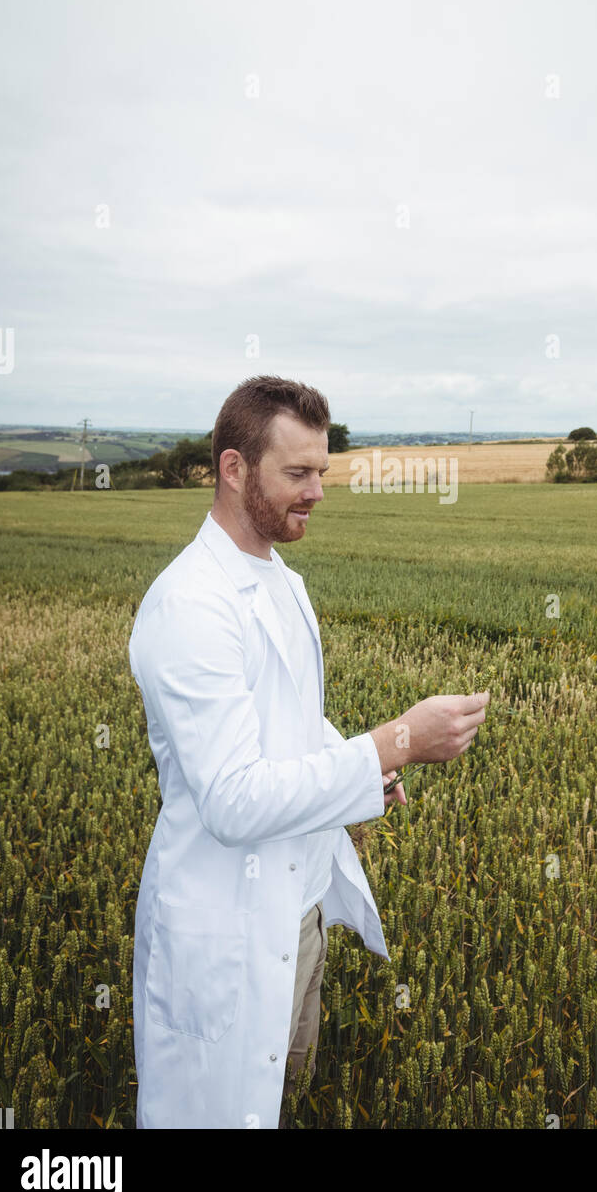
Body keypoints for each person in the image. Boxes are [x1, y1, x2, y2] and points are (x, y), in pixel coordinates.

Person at [129, 374, 489, 1128]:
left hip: (298, 915)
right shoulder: (190, 606)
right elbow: (232, 798)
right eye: (297, 473)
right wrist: (398, 741)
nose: (318, 491)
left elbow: (289, 722)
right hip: (229, 924)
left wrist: (372, 770)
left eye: (322, 470)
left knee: (280, 1098)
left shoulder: (280, 579)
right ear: (234, 469)